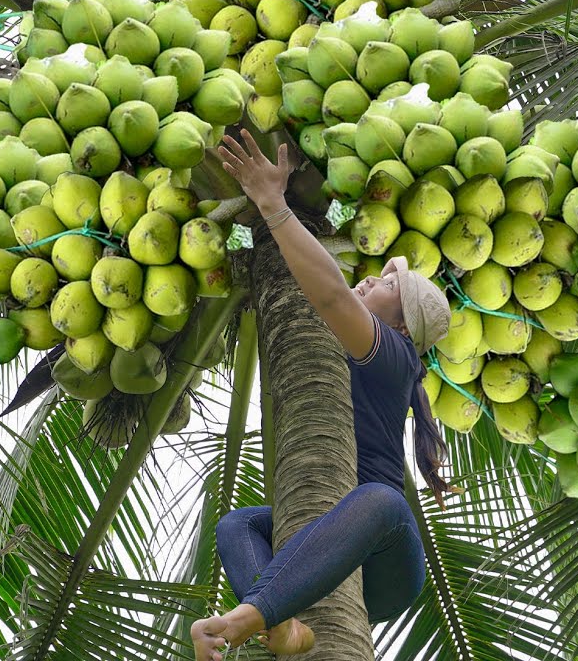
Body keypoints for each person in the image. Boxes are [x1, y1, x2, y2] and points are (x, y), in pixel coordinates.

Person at [190, 130, 454, 660]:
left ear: (402, 329)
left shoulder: (393, 357)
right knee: (237, 522)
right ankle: (280, 624)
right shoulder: (355, 356)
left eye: (383, 285)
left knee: (380, 499)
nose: (366, 282)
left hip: (386, 557)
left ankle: (246, 618)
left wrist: (272, 203)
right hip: (317, 551)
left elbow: (332, 294)